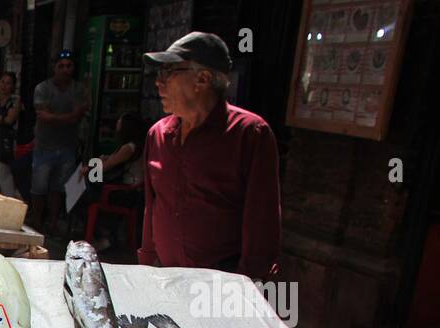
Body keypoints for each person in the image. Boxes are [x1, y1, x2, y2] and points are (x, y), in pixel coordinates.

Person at [138, 31, 281, 279]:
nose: (158, 82)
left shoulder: (249, 134)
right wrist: (146, 263)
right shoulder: (157, 135)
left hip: (219, 284)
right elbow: (153, 207)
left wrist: (248, 286)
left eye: (168, 72)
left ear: (202, 79)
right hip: (165, 276)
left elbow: (261, 221)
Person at [30, 50, 89, 236]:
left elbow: (75, 117)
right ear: (54, 68)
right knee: (39, 187)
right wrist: (68, 117)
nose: (65, 69)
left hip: (67, 147)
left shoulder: (78, 90)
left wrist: (55, 117)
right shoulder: (42, 88)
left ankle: (53, 224)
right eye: (61, 66)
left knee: (58, 188)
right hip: (44, 146)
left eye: (69, 66)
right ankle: (37, 222)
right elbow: (44, 116)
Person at [75, 112, 145, 250]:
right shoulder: (130, 146)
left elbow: (105, 167)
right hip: (123, 189)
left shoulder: (129, 147)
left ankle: (101, 235)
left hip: (125, 193)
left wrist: (92, 166)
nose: (117, 124)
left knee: (82, 197)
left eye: (120, 122)